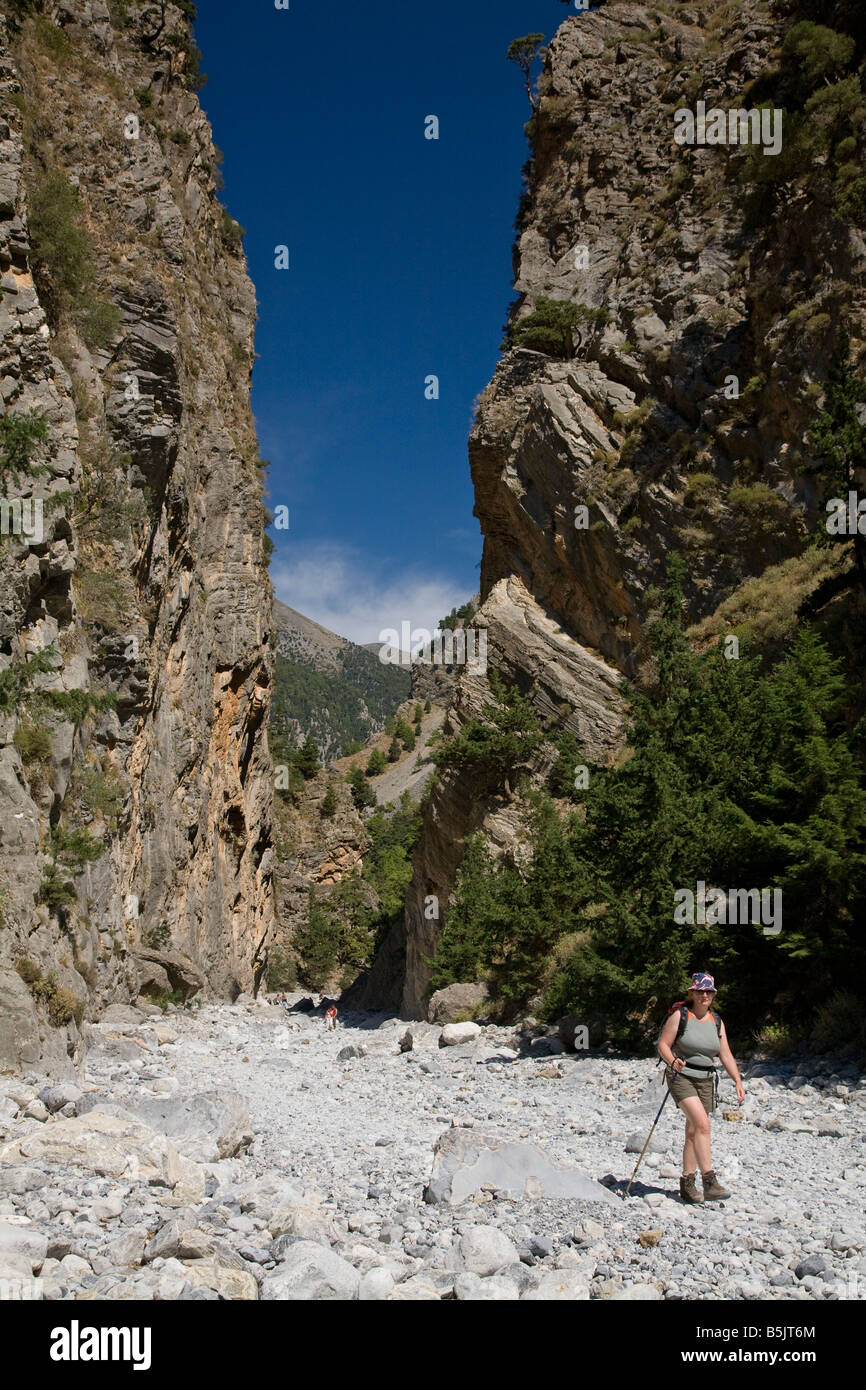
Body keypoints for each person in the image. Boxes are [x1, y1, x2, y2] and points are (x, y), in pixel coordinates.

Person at [657, 971, 746, 1204]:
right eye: (700, 991)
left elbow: (724, 1053)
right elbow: (663, 1045)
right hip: (682, 1076)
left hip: (706, 1079)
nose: (704, 995)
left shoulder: (716, 1021)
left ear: (713, 995)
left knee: (693, 1131)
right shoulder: (680, 1016)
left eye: (708, 991)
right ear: (692, 993)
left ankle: (687, 1183)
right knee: (703, 1125)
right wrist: (673, 1061)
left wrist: (737, 1079)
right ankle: (710, 1182)